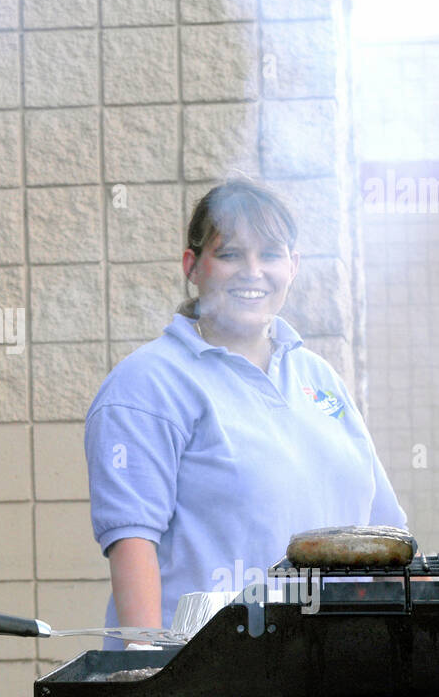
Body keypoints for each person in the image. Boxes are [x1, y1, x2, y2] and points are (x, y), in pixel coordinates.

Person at [85, 179, 407, 647]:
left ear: (293, 266)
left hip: (336, 666)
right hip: (212, 682)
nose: (252, 272)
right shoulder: (147, 383)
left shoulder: (318, 378)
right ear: (192, 267)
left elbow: (388, 537)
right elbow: (133, 543)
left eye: (270, 254)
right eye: (231, 254)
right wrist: (146, 669)